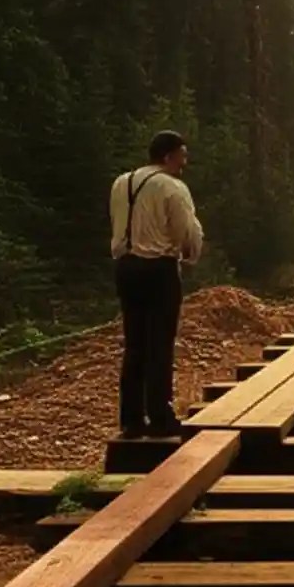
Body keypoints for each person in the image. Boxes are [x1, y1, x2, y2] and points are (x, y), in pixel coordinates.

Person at [109, 130, 204, 439]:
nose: (184, 162)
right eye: (182, 155)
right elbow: (185, 230)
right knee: (160, 344)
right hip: (159, 268)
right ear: (168, 156)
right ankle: (160, 417)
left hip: (126, 267)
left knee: (134, 344)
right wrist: (190, 254)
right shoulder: (172, 187)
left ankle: (131, 419)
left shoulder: (122, 183)